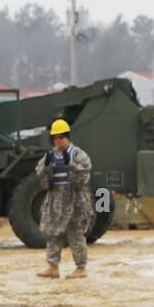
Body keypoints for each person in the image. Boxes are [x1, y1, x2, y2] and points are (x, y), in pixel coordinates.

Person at [35, 118, 93, 279]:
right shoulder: (50, 156)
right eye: (55, 138)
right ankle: (53, 267)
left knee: (76, 234)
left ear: (67, 137)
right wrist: (45, 169)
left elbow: (82, 180)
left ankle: (81, 268)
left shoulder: (79, 155)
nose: (58, 141)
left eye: (61, 137)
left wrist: (71, 165)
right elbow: (43, 182)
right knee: (52, 234)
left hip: (75, 201)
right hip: (55, 201)